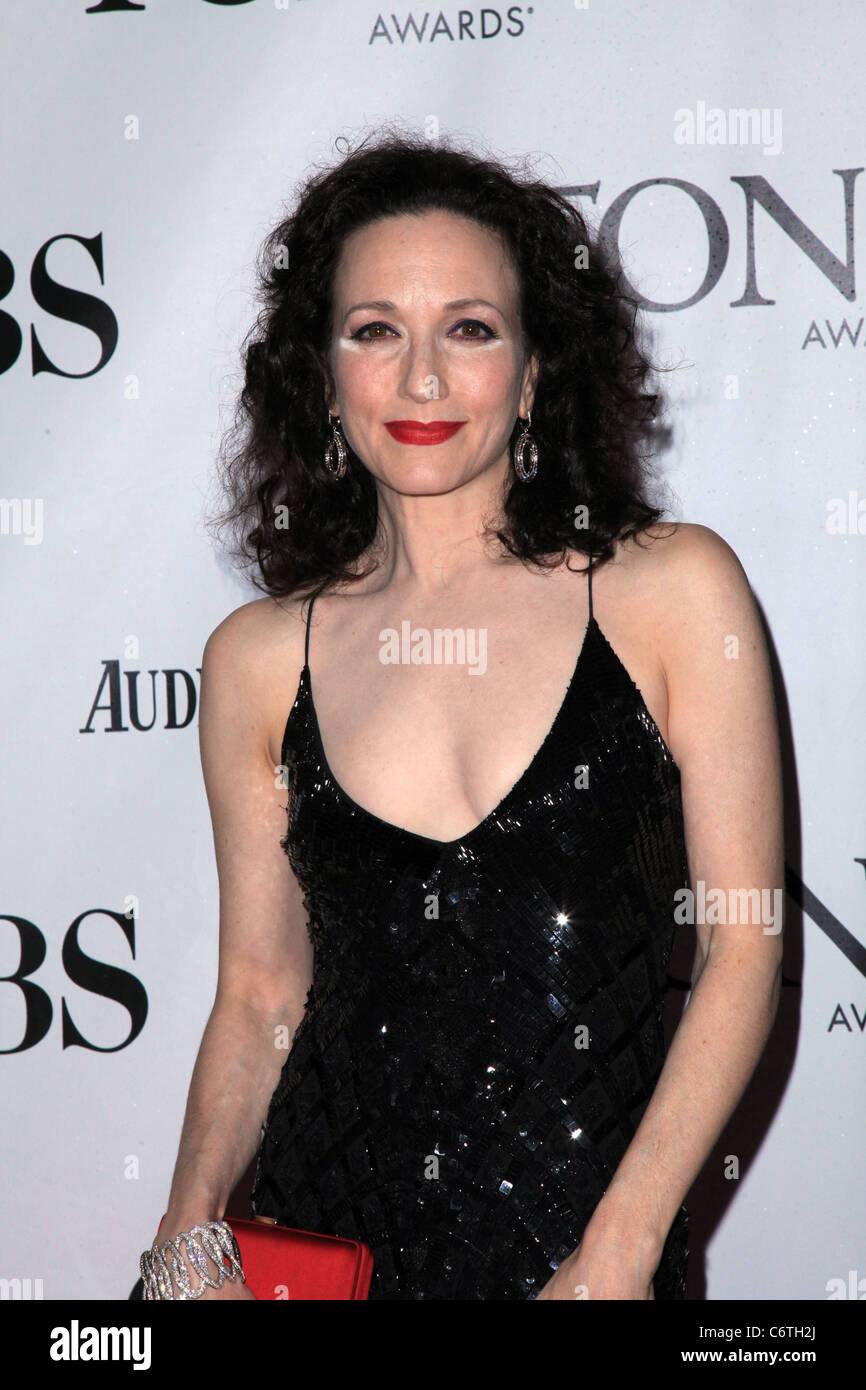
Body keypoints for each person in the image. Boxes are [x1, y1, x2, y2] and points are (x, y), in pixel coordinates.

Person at [135, 127, 784, 1300]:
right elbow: (261, 993)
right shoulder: (255, 659)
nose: (422, 379)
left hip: (588, 1266)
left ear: (534, 373)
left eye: (469, 330)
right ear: (324, 377)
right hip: (323, 1252)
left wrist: (621, 1249)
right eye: (375, 330)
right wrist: (187, 1235)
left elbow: (742, 945)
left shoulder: (669, 594)